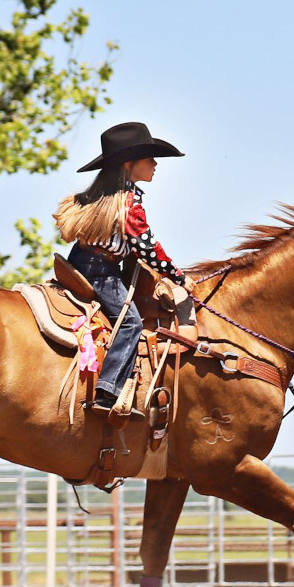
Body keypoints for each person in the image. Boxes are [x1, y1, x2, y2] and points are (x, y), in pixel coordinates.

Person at [54, 122, 194, 413]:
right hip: (101, 271)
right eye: (149, 158)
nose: (155, 164)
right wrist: (178, 277)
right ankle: (108, 391)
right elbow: (146, 246)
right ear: (129, 164)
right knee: (131, 323)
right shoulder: (128, 203)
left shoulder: (106, 198)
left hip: (82, 260)